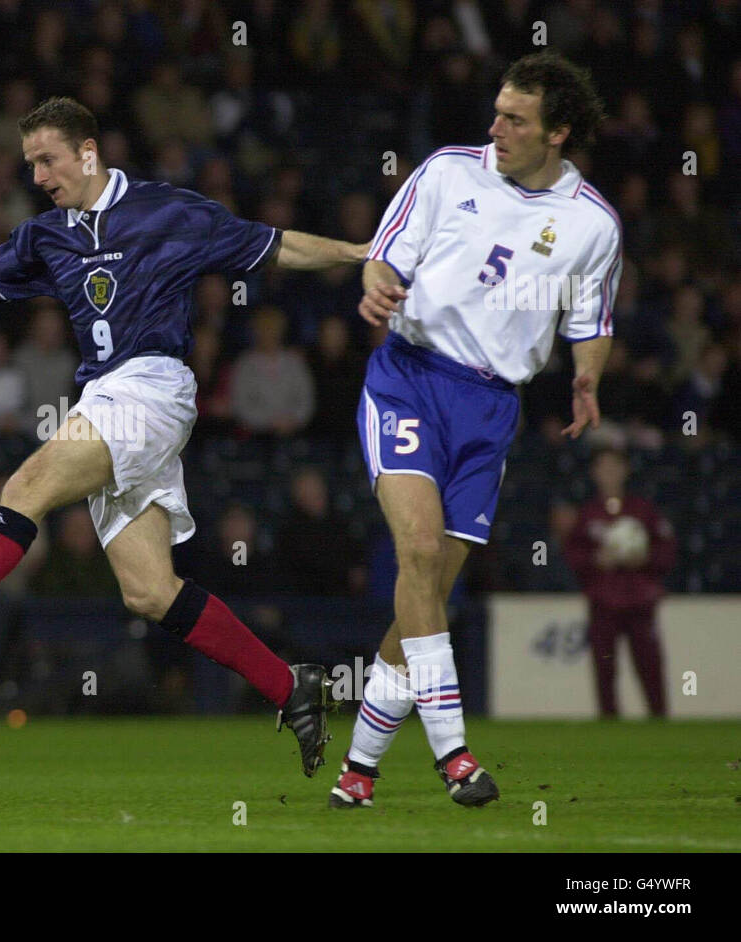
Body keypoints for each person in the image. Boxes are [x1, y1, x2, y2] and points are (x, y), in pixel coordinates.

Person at [0, 96, 368, 779]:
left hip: (151, 390)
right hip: (106, 398)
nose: (38, 177)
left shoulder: (168, 210)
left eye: (46, 160)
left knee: (25, 486)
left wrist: (355, 251)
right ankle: (290, 686)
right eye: (29, 164)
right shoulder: (45, 235)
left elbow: (273, 244)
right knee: (148, 592)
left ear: (88, 153)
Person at [336, 52, 622, 808]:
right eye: (496, 111)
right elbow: (381, 256)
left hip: (492, 408)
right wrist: (375, 286)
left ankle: (357, 772)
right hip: (410, 380)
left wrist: (588, 374)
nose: (494, 128)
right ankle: (455, 755)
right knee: (419, 552)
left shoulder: (593, 224)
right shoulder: (445, 172)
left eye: (515, 119)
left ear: (556, 133)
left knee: (427, 590)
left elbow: (591, 322)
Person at [564, 446, 676, 717]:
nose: (610, 474)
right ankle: (608, 720)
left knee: (649, 664)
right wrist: (595, 560)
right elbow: (573, 553)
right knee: (605, 667)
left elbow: (667, 549)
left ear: (626, 471)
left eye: (615, 467)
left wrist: (644, 558)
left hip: (640, 599)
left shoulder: (642, 509)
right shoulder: (588, 513)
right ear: (594, 473)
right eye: (604, 468)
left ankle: (659, 718)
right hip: (603, 600)